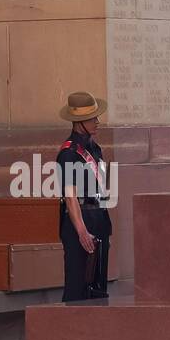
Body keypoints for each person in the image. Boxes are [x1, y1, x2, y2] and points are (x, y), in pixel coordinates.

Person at [55, 91, 112, 302]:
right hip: (79, 222)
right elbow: (70, 197)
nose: (97, 121)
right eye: (92, 118)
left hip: (97, 218)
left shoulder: (94, 149)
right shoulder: (68, 153)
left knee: (97, 286)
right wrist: (81, 231)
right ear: (79, 122)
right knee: (77, 286)